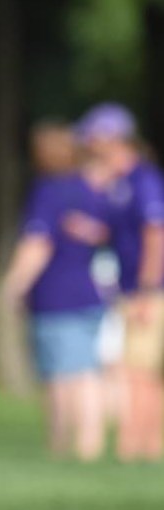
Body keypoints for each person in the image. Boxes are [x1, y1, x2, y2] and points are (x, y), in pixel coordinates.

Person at [3, 121, 109, 461]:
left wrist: (14, 285)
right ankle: (91, 443)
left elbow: (38, 243)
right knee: (88, 371)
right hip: (90, 293)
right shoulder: (89, 190)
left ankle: (65, 445)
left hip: (57, 297)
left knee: (62, 375)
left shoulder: (49, 192)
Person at [77, 102, 164, 462]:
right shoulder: (120, 184)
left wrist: (146, 291)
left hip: (149, 291)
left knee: (140, 370)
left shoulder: (143, 180)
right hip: (133, 290)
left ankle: (140, 445)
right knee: (138, 368)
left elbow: (155, 234)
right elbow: (123, 234)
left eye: (95, 138)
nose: (90, 146)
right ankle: (145, 445)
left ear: (114, 138)